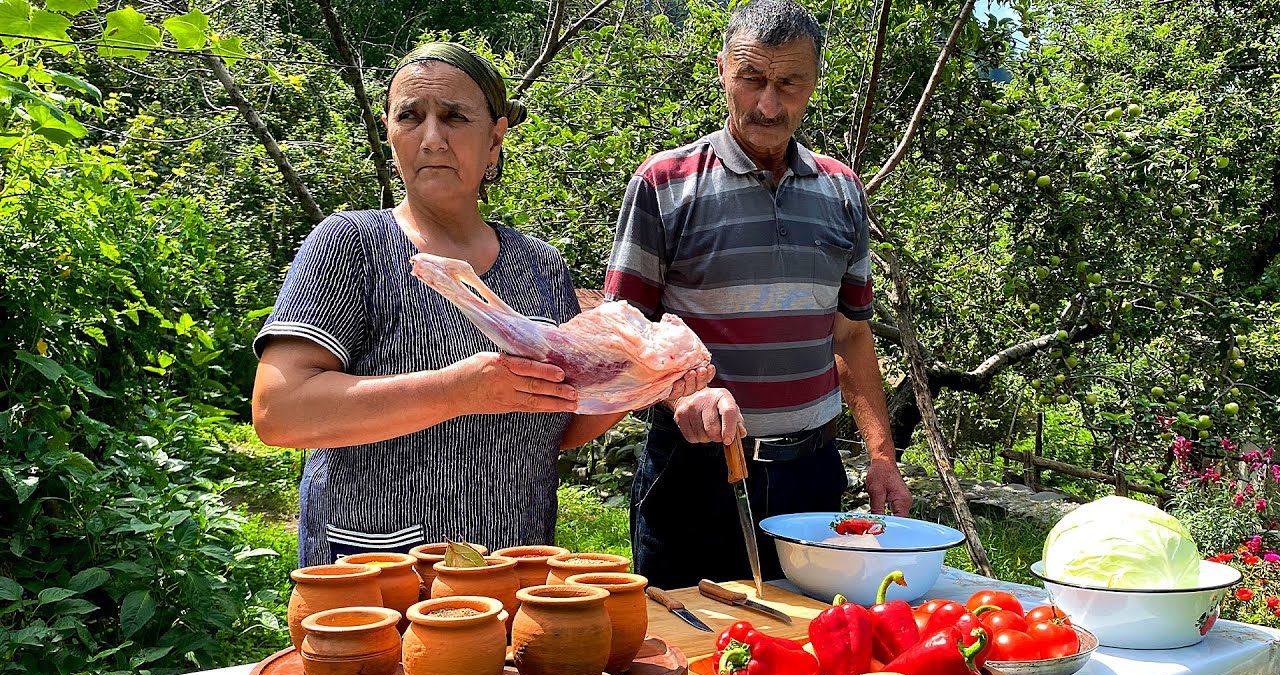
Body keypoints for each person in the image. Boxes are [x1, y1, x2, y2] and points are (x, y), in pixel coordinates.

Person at [252, 42, 710, 566]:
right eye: (410, 116)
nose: (431, 138)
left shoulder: (539, 264)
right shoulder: (353, 243)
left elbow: (557, 423)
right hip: (383, 572)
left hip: (516, 562)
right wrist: (457, 391)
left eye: (454, 117)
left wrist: (640, 381)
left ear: (494, 139)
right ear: (389, 133)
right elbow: (278, 411)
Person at [604, 0, 912, 590]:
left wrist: (881, 457)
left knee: (810, 632)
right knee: (687, 634)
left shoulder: (841, 190)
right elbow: (624, 334)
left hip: (811, 476)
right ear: (723, 70)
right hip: (694, 472)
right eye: (752, 78)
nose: (769, 104)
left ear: (815, 82)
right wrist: (681, 397)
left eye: (789, 83)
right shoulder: (664, 183)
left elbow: (850, 334)